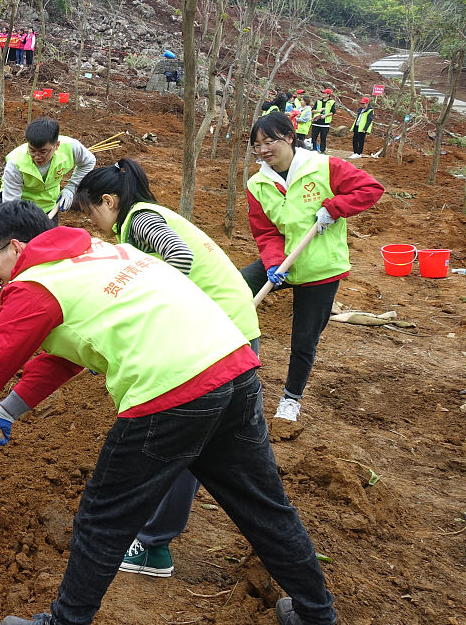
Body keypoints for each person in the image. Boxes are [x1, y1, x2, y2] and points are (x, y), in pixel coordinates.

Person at [0, 198, 339, 625]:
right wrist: (9, 412)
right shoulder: (98, 251)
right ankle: (317, 612)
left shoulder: (35, 286)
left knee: (102, 518)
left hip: (171, 391)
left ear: (16, 248)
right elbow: (68, 353)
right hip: (233, 368)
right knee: (264, 505)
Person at [75, 159, 260, 579]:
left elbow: (177, 257)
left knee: (182, 443)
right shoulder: (145, 218)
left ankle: (154, 544)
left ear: (109, 200)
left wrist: (154, 307)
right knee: (211, 447)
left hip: (218, 332)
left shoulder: (140, 219)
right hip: (228, 329)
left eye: (92, 212)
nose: (93, 222)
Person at [244, 112, 382, 422]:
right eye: (257, 145)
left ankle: (291, 400)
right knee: (236, 289)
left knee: (304, 339)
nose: (264, 150)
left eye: (270, 142)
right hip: (286, 263)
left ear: (289, 138)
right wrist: (274, 262)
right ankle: (240, 376)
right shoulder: (258, 184)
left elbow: (370, 188)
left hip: (320, 268)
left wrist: (334, 208)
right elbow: (266, 231)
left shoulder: (323, 166)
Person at [1, 117, 95, 223]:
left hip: (48, 202)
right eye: (32, 150)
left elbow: (88, 162)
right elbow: (12, 206)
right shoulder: (16, 163)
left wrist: (72, 187)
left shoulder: (71, 148)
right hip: (19, 203)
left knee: (48, 238)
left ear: (57, 146)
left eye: (43, 152)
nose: (37, 156)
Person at [311, 89, 336, 153]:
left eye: (324, 93)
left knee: (323, 137)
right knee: (314, 137)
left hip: (325, 123)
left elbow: (333, 112)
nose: (323, 94)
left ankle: (322, 150)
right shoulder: (318, 101)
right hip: (316, 122)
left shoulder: (332, 102)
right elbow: (313, 110)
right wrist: (319, 111)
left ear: (328, 94)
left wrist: (325, 116)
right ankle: (314, 149)